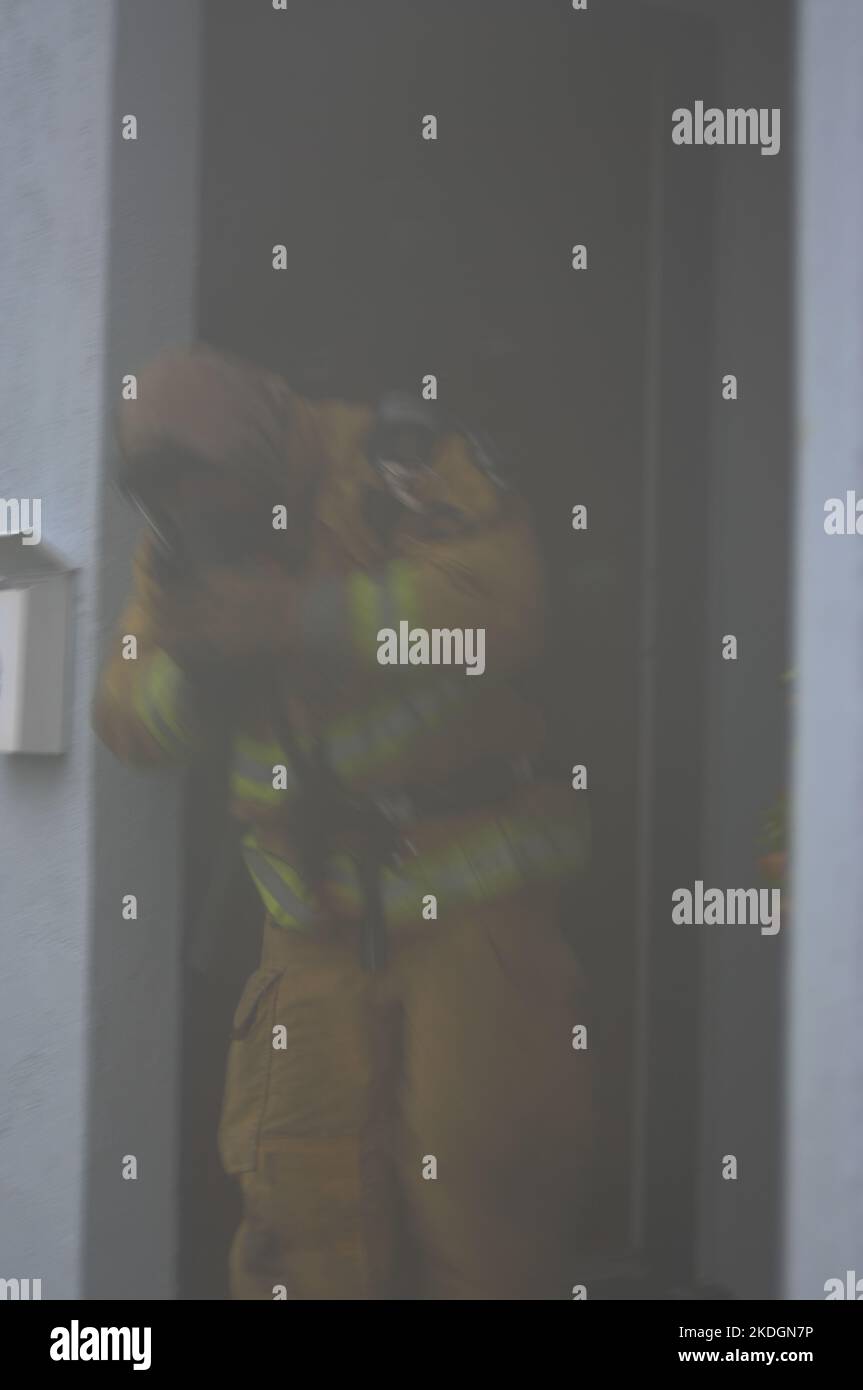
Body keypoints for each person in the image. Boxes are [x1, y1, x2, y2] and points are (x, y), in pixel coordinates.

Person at [93, 342, 595, 1300]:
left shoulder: (400, 458)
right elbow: (125, 718)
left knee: (480, 1211)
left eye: (225, 498)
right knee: (297, 1221)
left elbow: (505, 607)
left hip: (471, 910)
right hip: (306, 927)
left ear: (272, 425)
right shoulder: (175, 537)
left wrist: (298, 618)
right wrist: (196, 669)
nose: (213, 523)